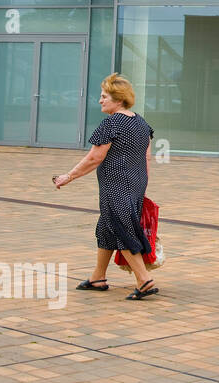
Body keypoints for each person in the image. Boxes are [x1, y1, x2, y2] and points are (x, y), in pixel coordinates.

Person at [54, 73, 159, 300]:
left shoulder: (111, 123)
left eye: (104, 96)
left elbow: (95, 157)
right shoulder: (141, 123)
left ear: (118, 99)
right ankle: (98, 277)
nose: (100, 100)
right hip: (136, 183)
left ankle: (144, 280)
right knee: (105, 229)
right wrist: (142, 186)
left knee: (122, 230)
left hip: (116, 186)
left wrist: (68, 176)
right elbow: (146, 158)